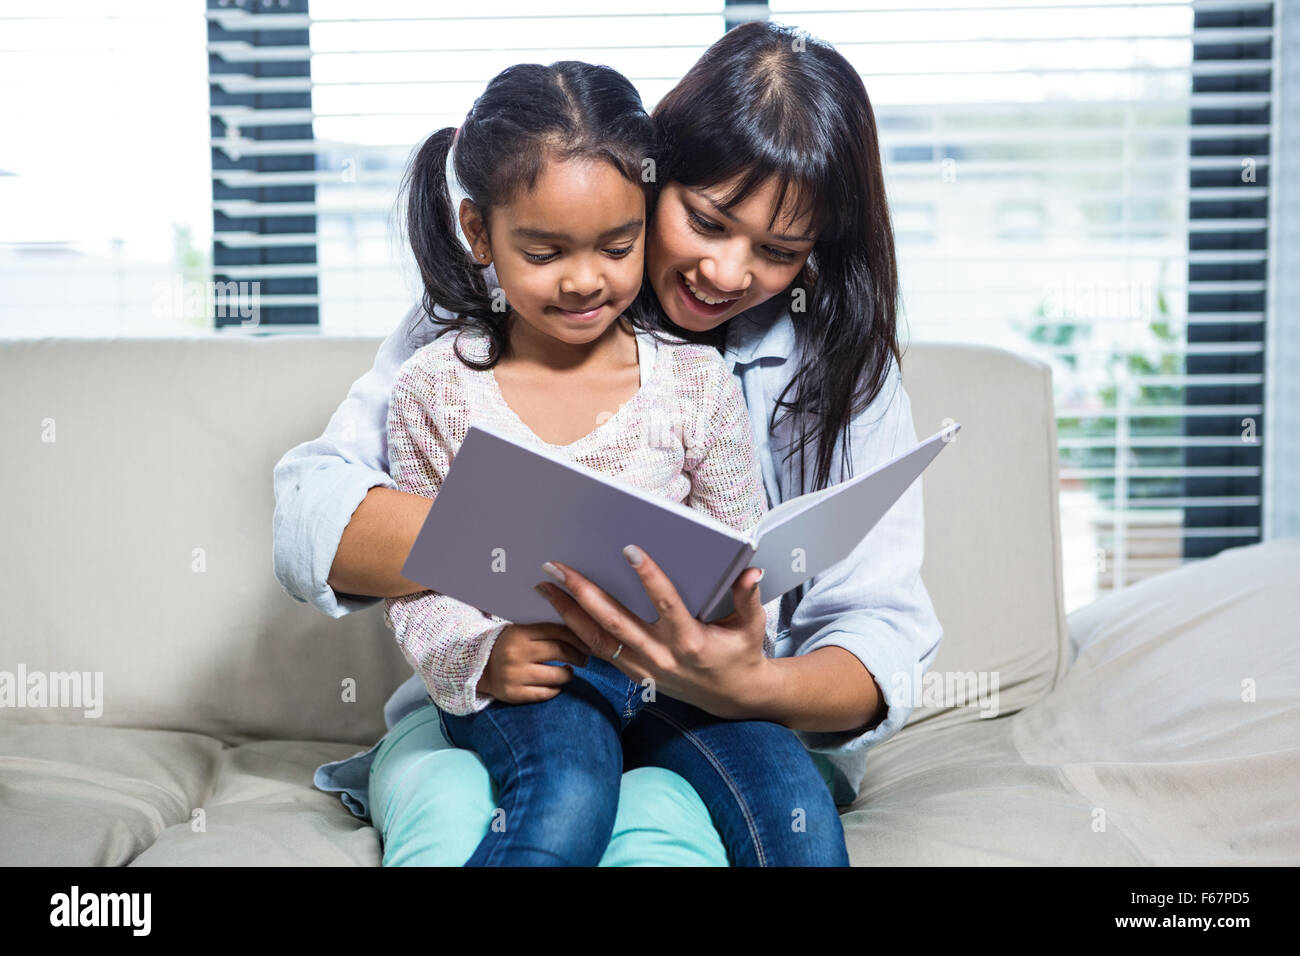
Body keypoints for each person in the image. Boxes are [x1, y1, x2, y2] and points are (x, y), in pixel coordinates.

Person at [274, 21, 942, 866]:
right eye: (705, 221)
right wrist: (542, 556)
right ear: (651, 176)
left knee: (673, 831)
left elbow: (877, 627)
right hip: (514, 694)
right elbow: (311, 514)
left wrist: (751, 683)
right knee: (495, 812)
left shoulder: (834, 372)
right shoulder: (487, 324)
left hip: (721, 709)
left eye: (779, 252)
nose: (729, 274)